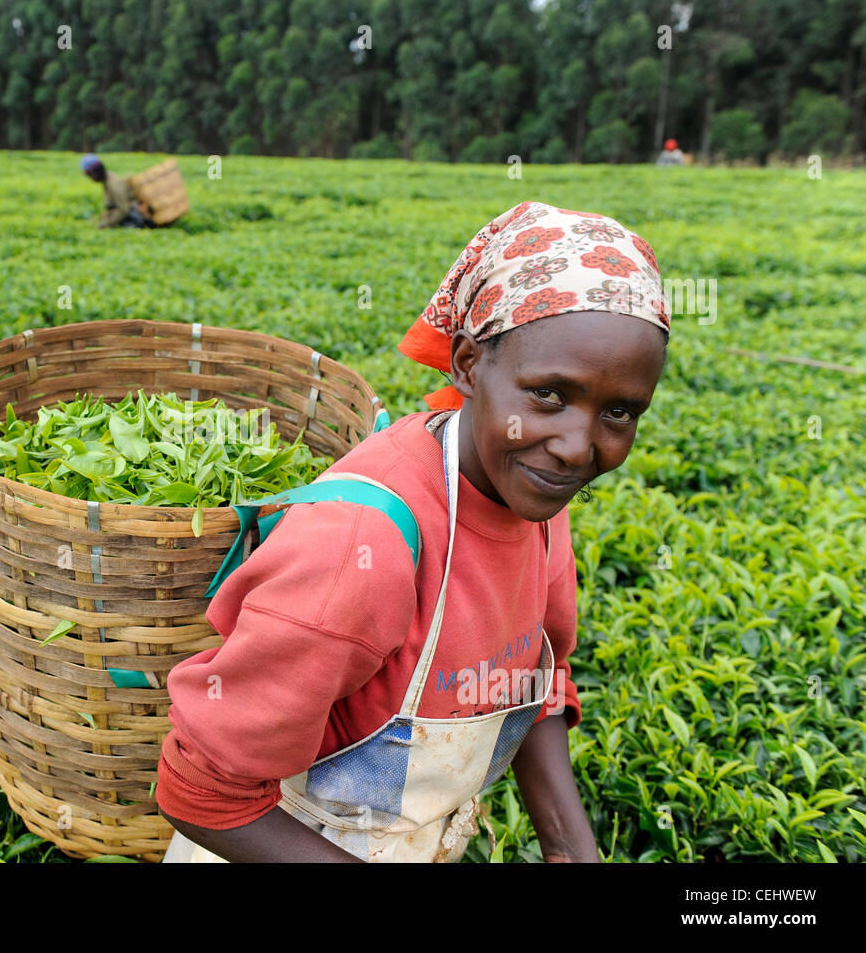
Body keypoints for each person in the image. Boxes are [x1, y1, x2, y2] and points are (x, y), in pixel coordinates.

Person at [157, 200, 671, 863]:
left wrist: (572, 847)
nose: (577, 447)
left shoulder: (537, 501)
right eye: (549, 393)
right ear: (465, 364)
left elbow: (537, 679)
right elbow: (203, 793)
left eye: (621, 411)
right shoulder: (358, 548)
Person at [80, 153, 153, 229]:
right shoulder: (107, 181)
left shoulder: (114, 184)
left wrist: (106, 224)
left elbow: (124, 209)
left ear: (95, 172)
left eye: (89, 175)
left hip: (136, 217)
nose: (90, 178)